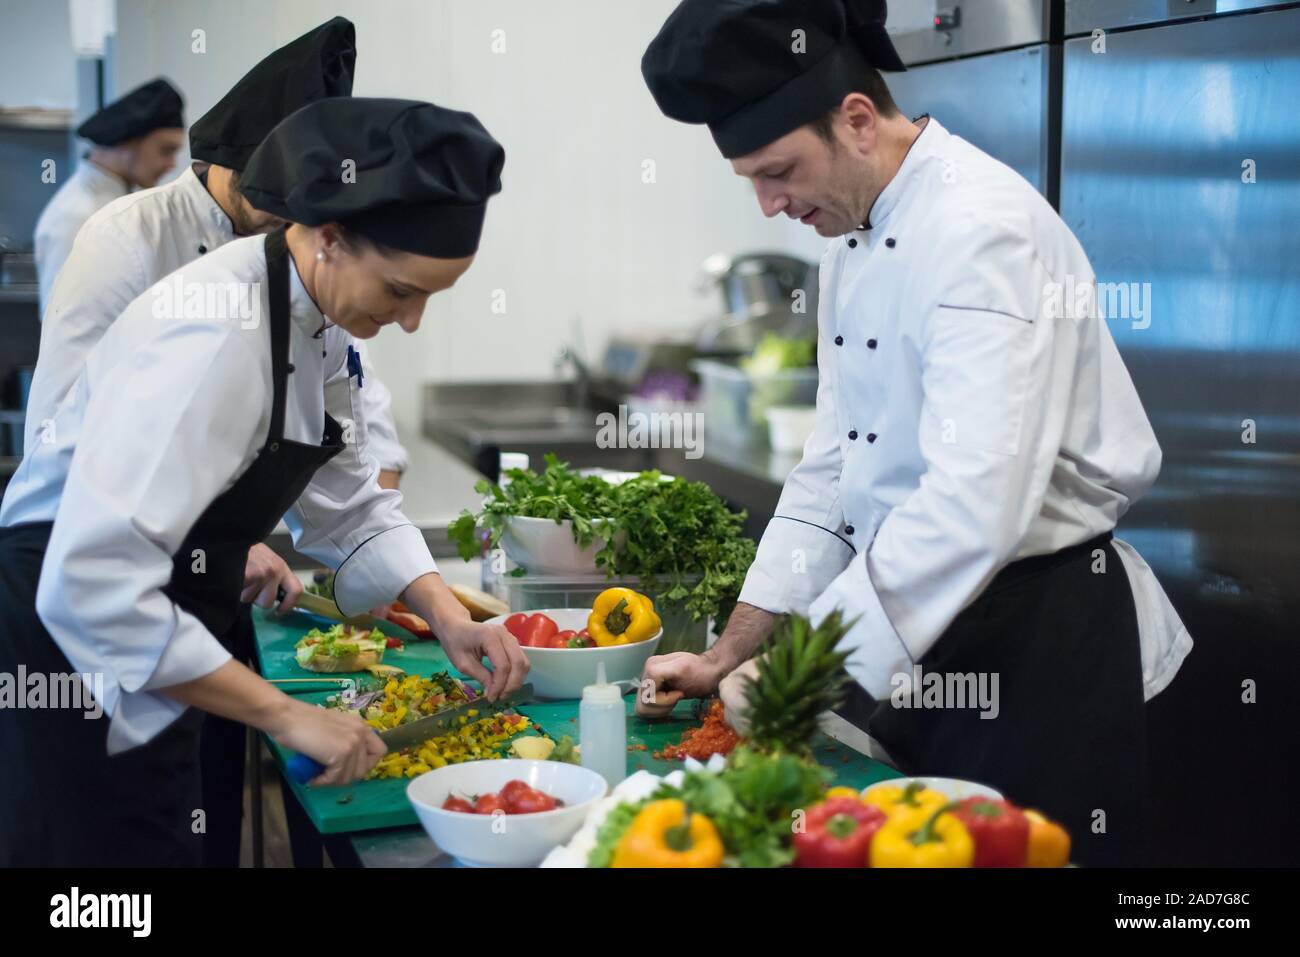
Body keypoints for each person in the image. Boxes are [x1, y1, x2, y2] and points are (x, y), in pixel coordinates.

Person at [636, 0, 1191, 867]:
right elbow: (832, 466)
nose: (770, 203)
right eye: (751, 178)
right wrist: (731, 650)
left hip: (1039, 643)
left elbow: (973, 505)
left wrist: (794, 676)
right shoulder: (853, 228)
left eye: (776, 170)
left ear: (857, 119)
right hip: (922, 635)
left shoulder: (981, 233)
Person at [0, 95, 522, 867]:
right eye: (403, 292)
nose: (412, 321)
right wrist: (286, 713)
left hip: (169, 625)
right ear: (332, 239)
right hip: (74, 647)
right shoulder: (213, 335)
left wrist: (448, 615)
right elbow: (93, 584)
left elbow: (350, 507)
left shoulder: (316, 315)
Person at [17, 18, 400, 865]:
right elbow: (67, 437)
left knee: (196, 810)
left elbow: (336, 461)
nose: (292, 231)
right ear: (228, 164)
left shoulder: (301, 269)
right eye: (278, 208)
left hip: (194, 583)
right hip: (72, 575)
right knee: (94, 844)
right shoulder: (126, 238)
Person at [34, 78, 184, 313]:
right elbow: (65, 325)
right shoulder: (78, 216)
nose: (172, 164)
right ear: (128, 141)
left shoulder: (116, 202)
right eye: (166, 150)